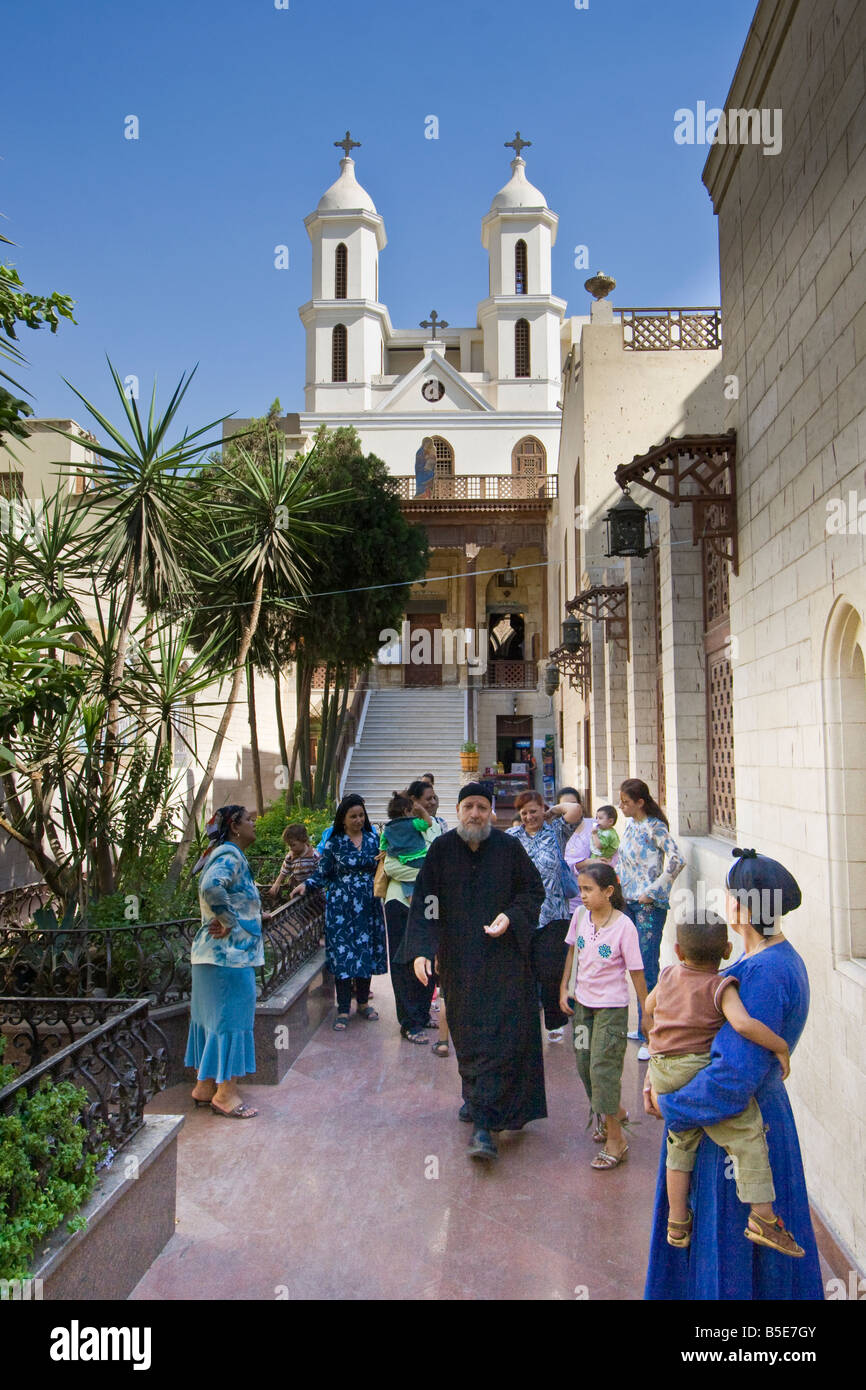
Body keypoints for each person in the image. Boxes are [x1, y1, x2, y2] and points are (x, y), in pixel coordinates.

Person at [643, 848, 823, 1300]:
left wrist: (670, 1103)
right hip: (741, 1124)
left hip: (737, 1128)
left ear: (741, 907)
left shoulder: (764, 974)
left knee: (732, 1271)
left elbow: (729, 1081)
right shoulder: (767, 962)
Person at [399, 782, 546, 1162]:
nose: (476, 814)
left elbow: (533, 892)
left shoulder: (509, 849)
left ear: (491, 812)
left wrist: (510, 917)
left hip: (504, 964)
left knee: (497, 1038)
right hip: (459, 963)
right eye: (469, 807)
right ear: (459, 810)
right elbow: (428, 901)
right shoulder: (442, 849)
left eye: (482, 807)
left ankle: (484, 1127)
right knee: (467, 1035)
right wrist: (421, 949)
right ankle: (475, 1097)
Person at [644, 913, 803, 1257]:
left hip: (662, 1067)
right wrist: (779, 1045)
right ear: (728, 949)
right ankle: (762, 1216)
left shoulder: (669, 973)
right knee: (747, 1134)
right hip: (694, 1067)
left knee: (679, 1143)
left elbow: (648, 1005)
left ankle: (676, 1220)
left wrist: (660, 1041)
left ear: (677, 950)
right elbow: (744, 1025)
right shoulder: (721, 985)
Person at [559, 863, 646, 1169]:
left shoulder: (625, 927)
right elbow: (572, 952)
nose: (582, 896)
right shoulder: (580, 916)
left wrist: (645, 1012)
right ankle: (614, 1111)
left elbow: (637, 973)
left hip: (612, 1010)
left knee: (602, 1070)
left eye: (588, 889)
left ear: (609, 892)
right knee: (585, 1065)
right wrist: (564, 988)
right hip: (584, 1006)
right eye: (580, 889)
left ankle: (616, 1140)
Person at [185, 805, 262, 1119]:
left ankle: (204, 1088)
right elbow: (211, 887)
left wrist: (246, 915)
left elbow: (224, 893)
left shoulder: (225, 854)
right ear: (234, 826)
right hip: (227, 958)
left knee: (214, 1023)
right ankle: (226, 1095)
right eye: (249, 820)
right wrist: (229, 920)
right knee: (232, 1022)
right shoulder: (229, 856)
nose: (254, 824)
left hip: (210, 958)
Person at [290, 793, 386, 1031]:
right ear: (343, 819)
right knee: (343, 955)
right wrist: (306, 884)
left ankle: (363, 1003)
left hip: (368, 906)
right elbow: (323, 873)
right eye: (353, 816)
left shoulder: (374, 840)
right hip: (341, 907)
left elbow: (383, 868)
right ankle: (343, 1008)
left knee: (365, 952)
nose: (358, 820)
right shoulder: (334, 842)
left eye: (361, 815)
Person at [506, 789, 583, 1043]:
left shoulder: (556, 832)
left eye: (534, 811)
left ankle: (555, 1021)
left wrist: (554, 811)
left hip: (555, 913)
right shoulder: (512, 837)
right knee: (525, 971)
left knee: (551, 971)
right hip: (525, 914)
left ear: (543, 809)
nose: (529, 817)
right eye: (524, 812)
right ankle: (525, 1022)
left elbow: (575, 810)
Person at [617, 779, 685, 1059]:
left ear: (639, 802)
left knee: (647, 966)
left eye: (625, 802)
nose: (621, 806)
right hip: (628, 903)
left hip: (648, 906)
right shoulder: (631, 826)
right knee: (634, 963)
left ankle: (653, 1036)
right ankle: (642, 1024)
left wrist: (654, 890)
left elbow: (677, 859)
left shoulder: (655, 827)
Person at [381, 784, 442, 1044]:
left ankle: (422, 1013)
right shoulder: (396, 828)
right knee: (403, 961)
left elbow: (441, 860)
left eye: (434, 798)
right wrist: (427, 874)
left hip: (430, 903)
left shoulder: (435, 825)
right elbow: (392, 866)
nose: (432, 802)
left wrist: (429, 875)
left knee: (428, 956)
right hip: (400, 903)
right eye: (426, 799)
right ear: (412, 802)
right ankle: (409, 1022)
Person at [269, 822, 319, 898]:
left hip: (315, 891)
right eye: (289, 845)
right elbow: (284, 872)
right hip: (298, 890)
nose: (290, 848)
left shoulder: (314, 855)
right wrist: (276, 884)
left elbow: (321, 873)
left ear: (304, 840)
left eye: (293, 845)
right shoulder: (290, 856)